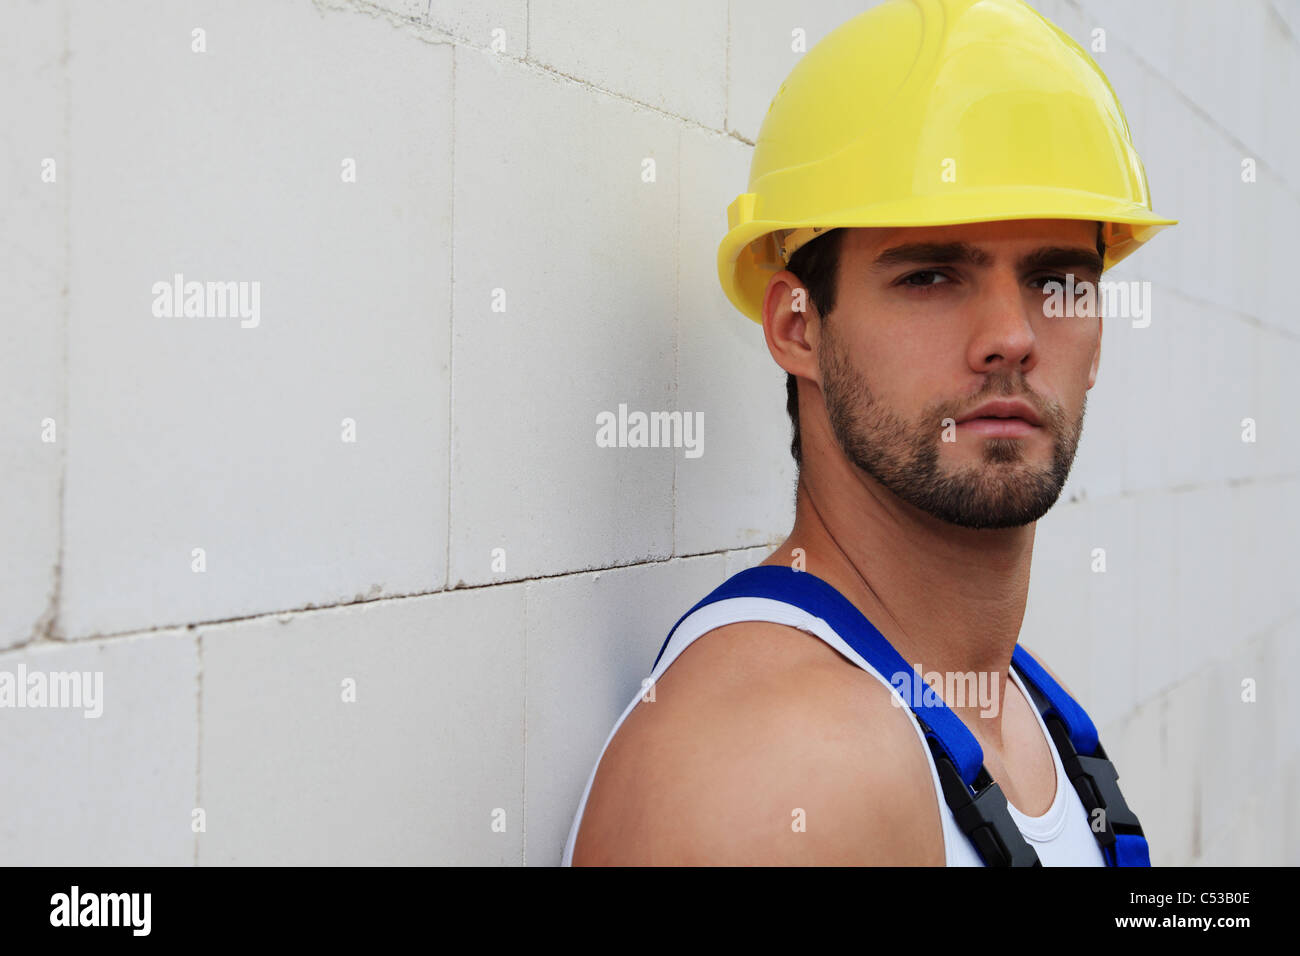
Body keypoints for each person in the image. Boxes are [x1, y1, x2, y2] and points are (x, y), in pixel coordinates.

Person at [564, 0, 1175, 866]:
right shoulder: (781, 768)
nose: (1013, 334)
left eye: (1055, 279)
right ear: (798, 327)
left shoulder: (1031, 715)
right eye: (931, 274)